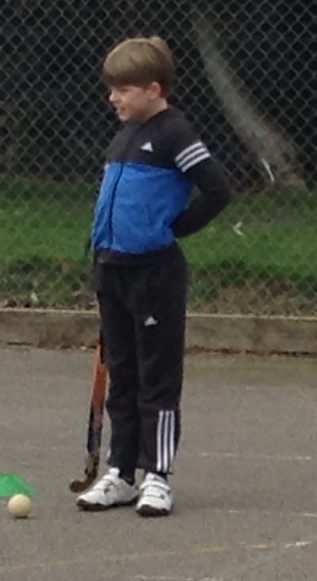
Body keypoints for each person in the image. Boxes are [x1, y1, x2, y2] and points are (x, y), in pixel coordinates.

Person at [76, 36, 231, 517]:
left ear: (153, 88)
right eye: (112, 88)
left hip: (154, 274)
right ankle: (120, 472)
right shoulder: (123, 135)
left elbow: (217, 188)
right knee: (121, 373)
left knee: (156, 376)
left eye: (123, 89)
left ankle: (156, 475)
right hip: (112, 271)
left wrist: (174, 228)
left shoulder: (174, 133)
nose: (113, 98)